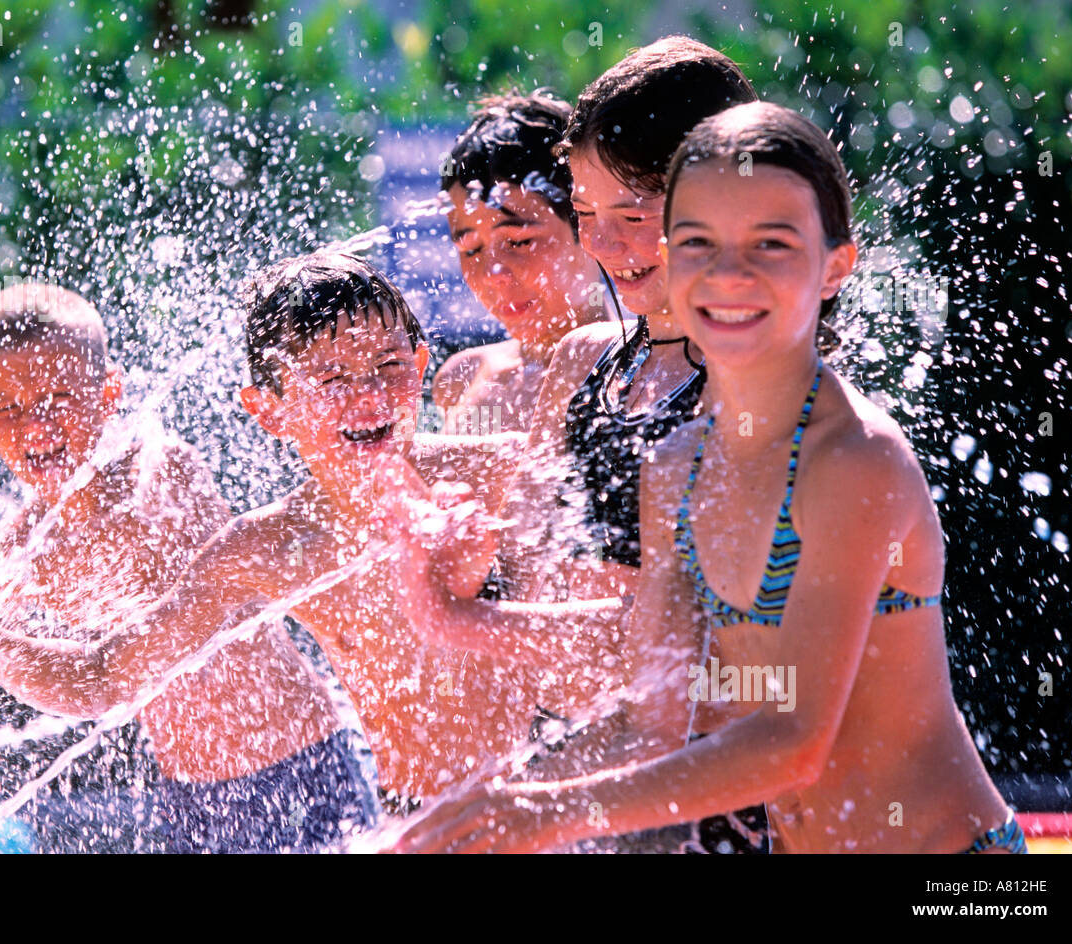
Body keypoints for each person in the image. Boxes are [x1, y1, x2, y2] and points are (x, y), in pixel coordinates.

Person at [390, 102, 1020, 854]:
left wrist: (542, 814)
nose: (729, 274)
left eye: (771, 244)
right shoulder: (676, 466)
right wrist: (481, 808)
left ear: (835, 268)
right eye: (698, 243)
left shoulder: (855, 458)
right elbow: (652, 721)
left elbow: (791, 740)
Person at [0, 254, 628, 817]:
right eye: (330, 378)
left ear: (418, 366)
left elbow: (626, 637)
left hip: (543, 798)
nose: (367, 397)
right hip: (406, 816)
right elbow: (103, 676)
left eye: (387, 367)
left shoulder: (498, 475)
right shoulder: (268, 551)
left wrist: (483, 594)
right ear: (269, 410)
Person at [0, 282, 368, 853]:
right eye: (10, 409)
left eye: (61, 400)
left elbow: (120, 602)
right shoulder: (11, 551)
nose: (37, 427)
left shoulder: (162, 471)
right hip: (192, 803)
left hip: (299, 773)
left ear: (108, 394)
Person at [380, 37, 768, 852]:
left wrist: (526, 801)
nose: (607, 244)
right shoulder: (594, 373)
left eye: (633, 216)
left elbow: (705, 674)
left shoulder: (758, 391)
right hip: (606, 761)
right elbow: (580, 602)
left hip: (705, 792)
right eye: (592, 216)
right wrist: (454, 578)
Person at [435, 90, 605, 432]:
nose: (493, 273)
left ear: (589, 224)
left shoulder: (644, 373)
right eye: (470, 249)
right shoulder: (460, 379)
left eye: (518, 241)